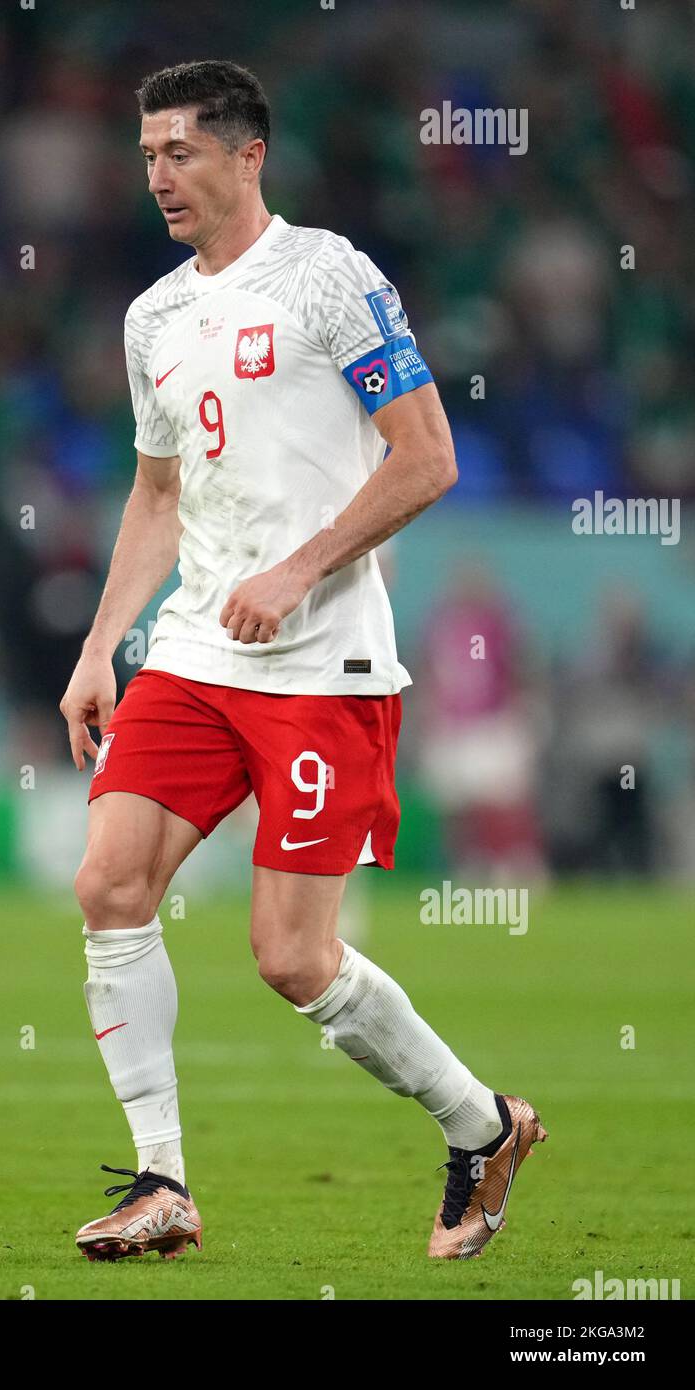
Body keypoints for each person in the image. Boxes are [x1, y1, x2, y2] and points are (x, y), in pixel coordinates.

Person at [59, 60, 546, 1263]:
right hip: (192, 656)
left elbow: (427, 457)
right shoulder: (152, 317)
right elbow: (158, 496)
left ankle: (481, 1126)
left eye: (180, 152)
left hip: (323, 665)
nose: (159, 175)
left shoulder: (332, 277)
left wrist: (304, 568)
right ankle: (161, 1180)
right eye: (148, 155)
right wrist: (100, 644)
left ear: (247, 154)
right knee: (110, 885)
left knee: (291, 958)